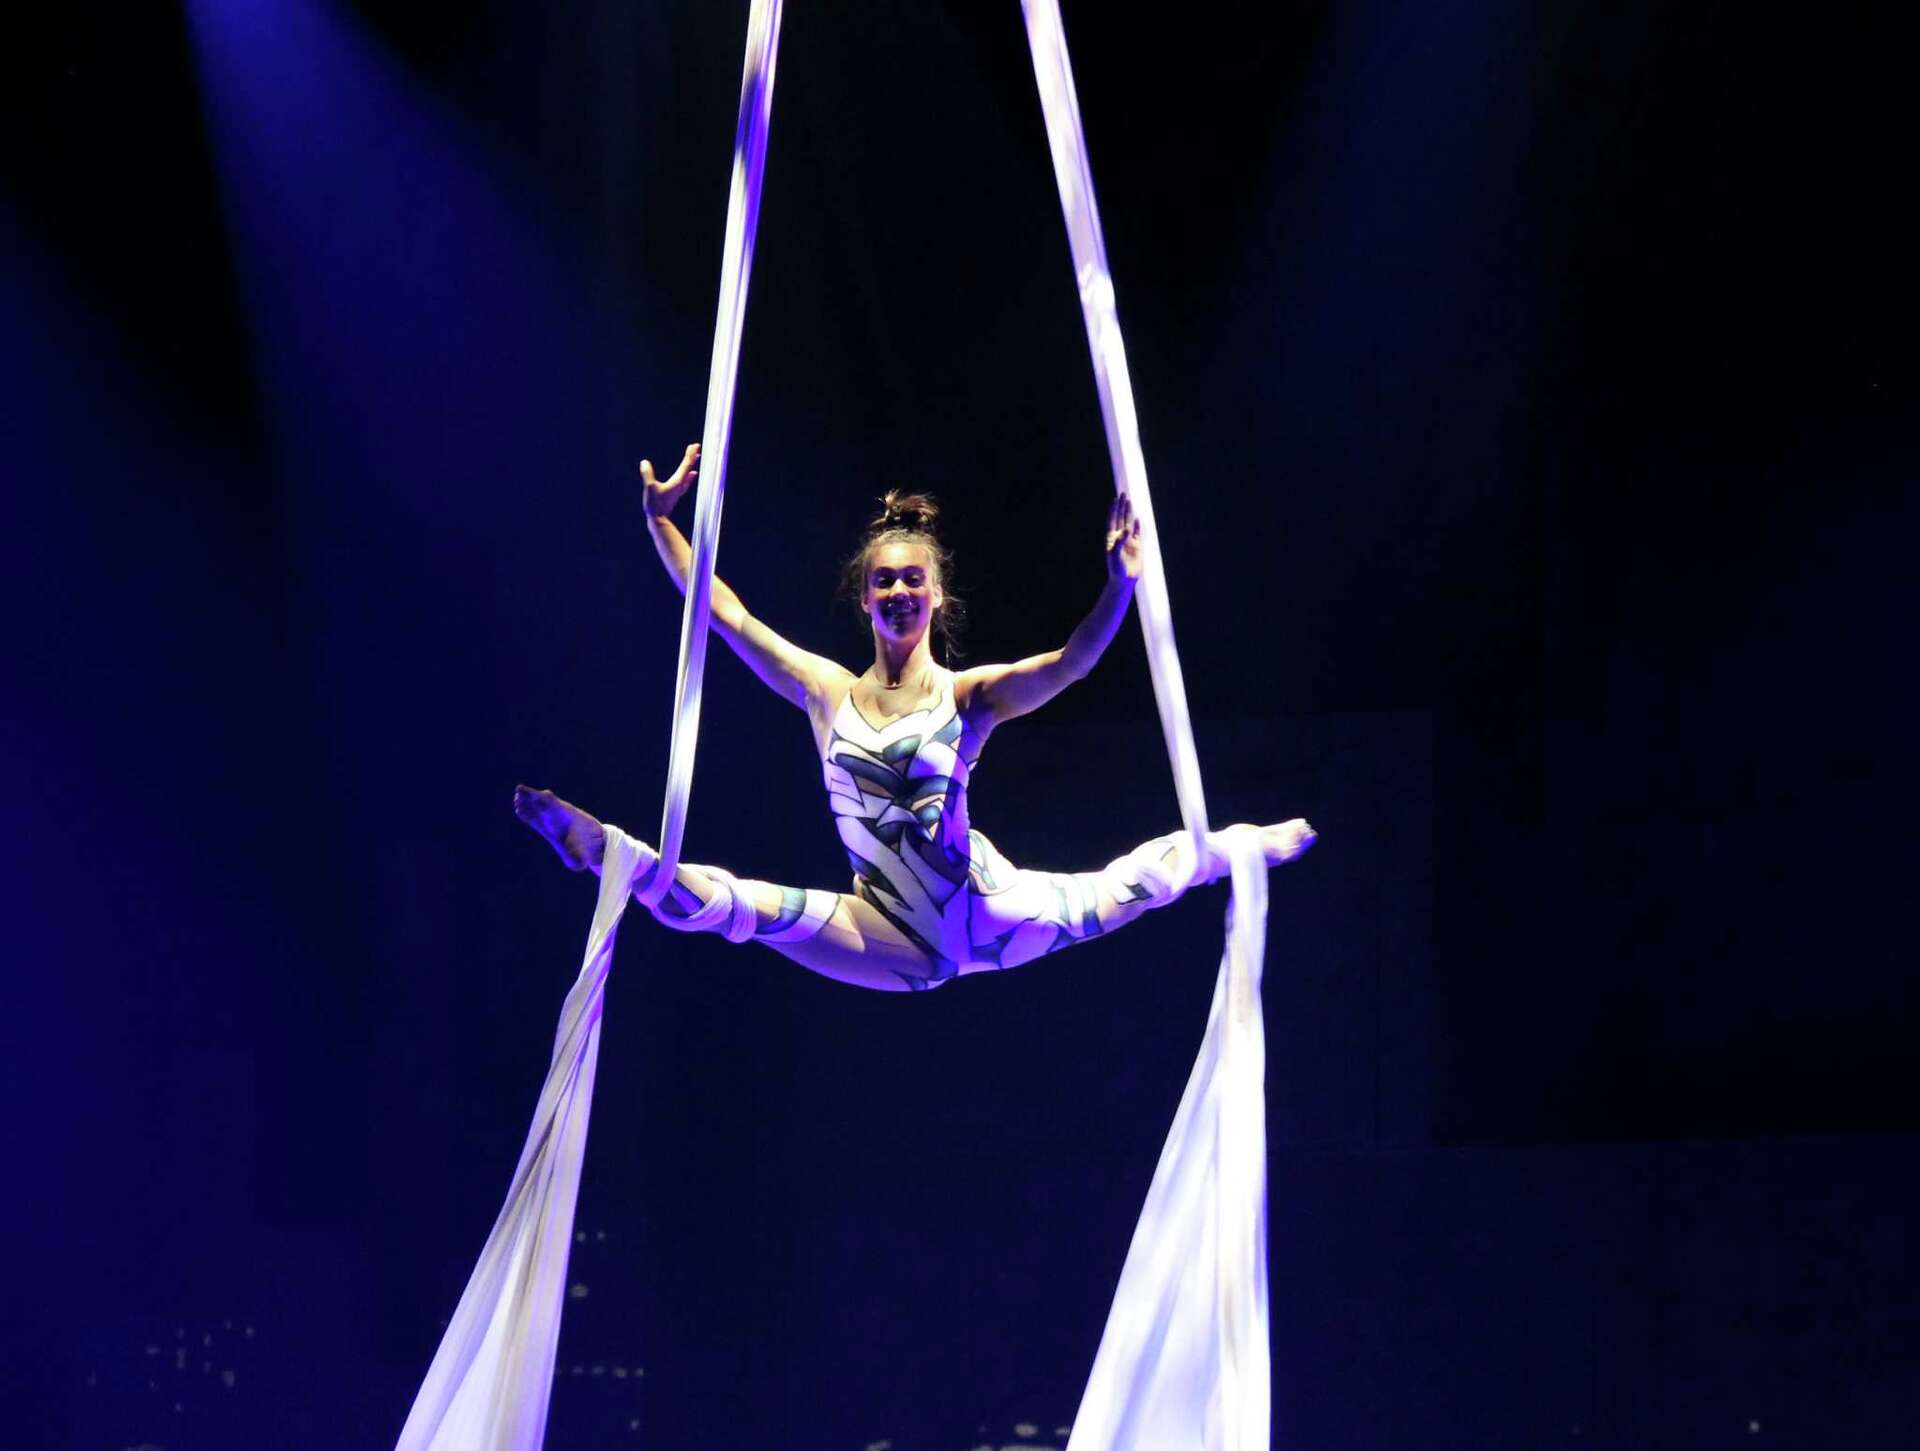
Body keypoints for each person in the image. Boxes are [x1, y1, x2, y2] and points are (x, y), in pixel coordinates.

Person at [514, 442, 1315, 992]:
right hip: (884, 928)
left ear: (935, 596)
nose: (898, 591)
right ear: (863, 598)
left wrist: (1118, 587)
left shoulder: (968, 698)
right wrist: (661, 522)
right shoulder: (825, 691)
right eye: (883, 581)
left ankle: (1233, 846)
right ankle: (611, 852)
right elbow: (723, 615)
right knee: (736, 908)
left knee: (1131, 886)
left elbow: (1072, 662)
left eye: (912, 580)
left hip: (988, 913)